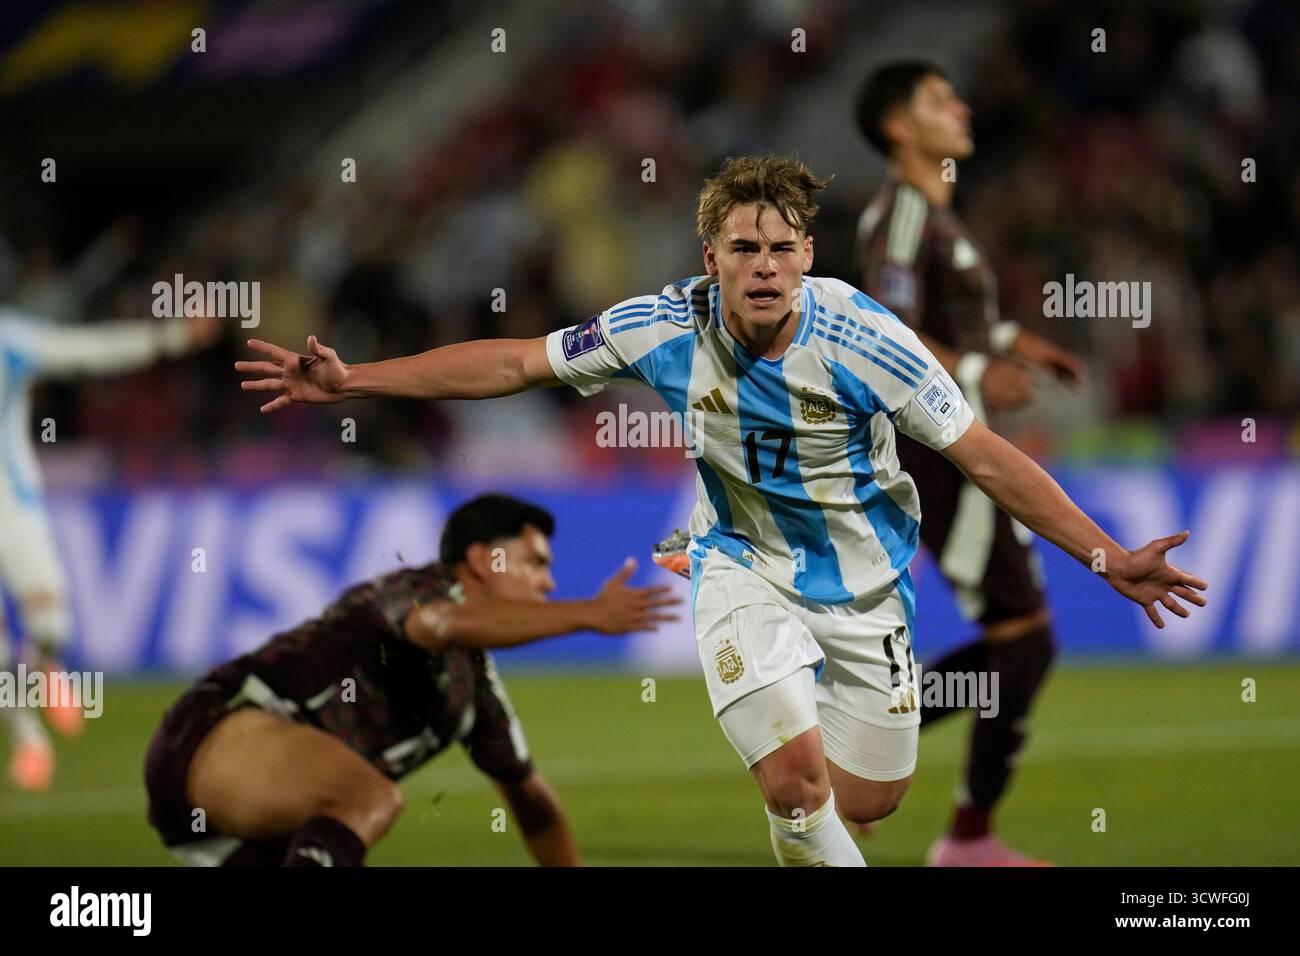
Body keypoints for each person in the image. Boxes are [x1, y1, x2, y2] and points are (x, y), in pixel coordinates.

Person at [237, 154, 1207, 867]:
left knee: (867, 798)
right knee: (795, 785)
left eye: (781, 247)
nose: (763, 265)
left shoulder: (866, 337)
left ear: (807, 253)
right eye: (742, 247)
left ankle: (809, 802)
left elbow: (986, 456)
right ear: (711, 256)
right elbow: (515, 359)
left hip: (866, 585)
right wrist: (355, 378)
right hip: (734, 561)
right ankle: (776, 742)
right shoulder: (659, 323)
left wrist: (1103, 553)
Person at [143, 493, 677, 866]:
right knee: (368, 799)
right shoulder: (414, 590)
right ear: (480, 559)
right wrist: (584, 614)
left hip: (247, 816)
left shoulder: (476, 692)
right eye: (534, 563)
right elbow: (441, 623)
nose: (549, 581)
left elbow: (531, 803)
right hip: (216, 732)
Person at [855, 60, 1090, 865]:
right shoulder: (904, 217)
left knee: (1019, 637)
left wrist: (1021, 344)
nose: (959, 106)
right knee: (1024, 639)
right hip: (938, 449)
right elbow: (889, 326)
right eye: (936, 99)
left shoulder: (939, 220)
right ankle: (964, 839)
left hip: (959, 438)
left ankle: (869, 747)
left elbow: (959, 323)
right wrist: (986, 372)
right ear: (898, 126)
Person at [0, 308, 217, 790]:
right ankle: (30, 740)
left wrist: (171, 337)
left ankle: (46, 665)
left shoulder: (9, 341)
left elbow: (88, 351)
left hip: (11, 506)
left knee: (48, 625)